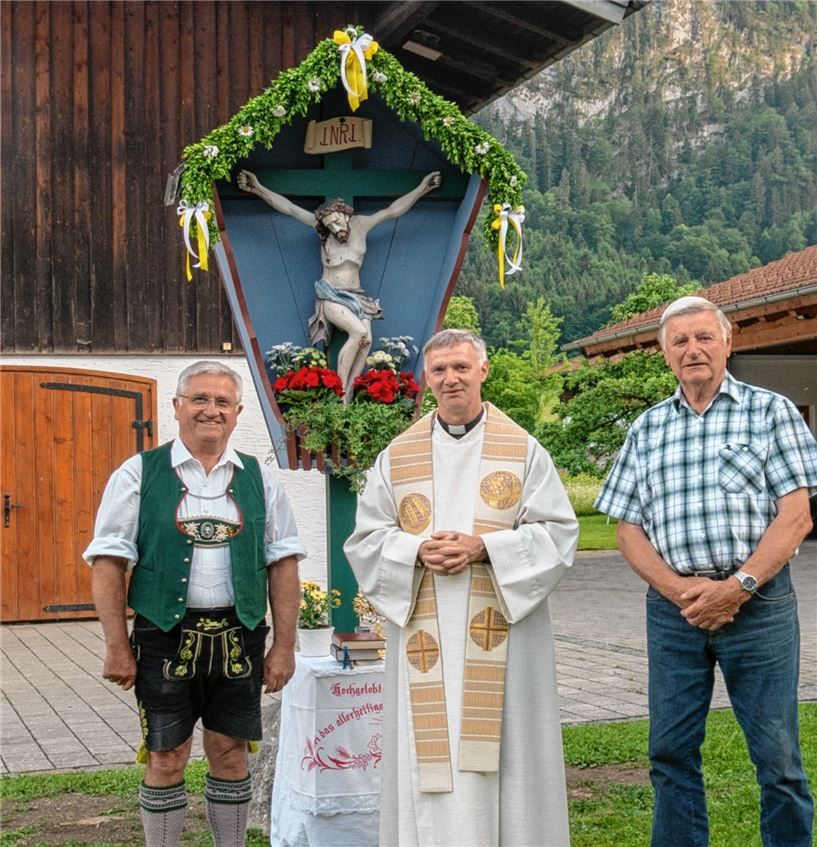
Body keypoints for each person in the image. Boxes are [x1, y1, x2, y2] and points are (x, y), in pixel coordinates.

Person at [595, 296, 817, 847]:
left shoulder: (771, 412)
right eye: (680, 341)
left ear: (727, 343)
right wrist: (678, 591)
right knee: (669, 751)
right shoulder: (646, 429)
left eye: (703, 338)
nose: (692, 349)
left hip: (759, 604)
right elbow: (627, 529)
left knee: (778, 756)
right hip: (675, 612)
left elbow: (796, 517)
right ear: (664, 353)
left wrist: (737, 587)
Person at [344, 329, 578, 846]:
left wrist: (485, 549)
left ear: (483, 371)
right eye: (439, 370)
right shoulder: (397, 456)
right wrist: (415, 550)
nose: (451, 379)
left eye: (461, 368)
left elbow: (559, 533)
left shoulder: (522, 451)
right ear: (426, 379)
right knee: (431, 755)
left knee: (506, 755)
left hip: (505, 634)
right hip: (424, 631)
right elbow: (365, 539)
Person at [84, 361, 305, 847]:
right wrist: (116, 646)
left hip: (240, 633)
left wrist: (284, 646)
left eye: (222, 402)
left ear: (237, 412)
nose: (211, 410)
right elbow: (107, 562)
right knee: (167, 755)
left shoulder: (261, 479)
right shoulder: (139, 473)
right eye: (200, 399)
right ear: (178, 406)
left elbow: (283, 564)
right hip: (163, 634)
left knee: (230, 752)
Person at [237, 168, 441, 399]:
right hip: (330, 294)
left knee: (366, 341)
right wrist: (257, 188)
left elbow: (392, 211)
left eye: (336, 222)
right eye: (329, 226)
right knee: (358, 332)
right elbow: (290, 209)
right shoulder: (322, 228)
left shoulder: (362, 225)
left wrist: (423, 188)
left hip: (358, 294)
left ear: (345, 215)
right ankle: (340, 392)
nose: (335, 228)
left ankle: (350, 391)